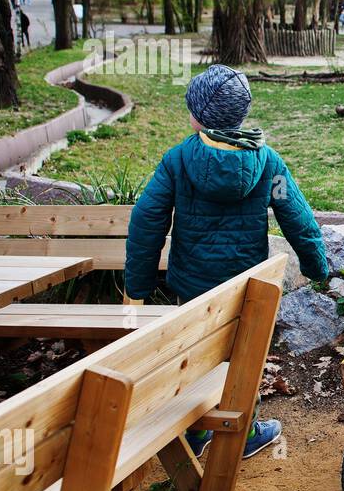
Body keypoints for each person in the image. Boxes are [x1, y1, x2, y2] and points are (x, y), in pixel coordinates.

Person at [126, 64, 331, 459]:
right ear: (242, 113)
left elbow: (146, 220)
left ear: (197, 115)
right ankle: (245, 428)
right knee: (245, 354)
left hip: (192, 283)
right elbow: (297, 216)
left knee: (198, 351)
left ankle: (197, 431)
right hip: (246, 286)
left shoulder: (178, 160)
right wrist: (316, 266)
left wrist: (138, 285)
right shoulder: (268, 163)